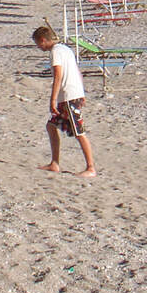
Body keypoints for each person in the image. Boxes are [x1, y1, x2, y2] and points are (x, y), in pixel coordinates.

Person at [33, 24, 96, 178]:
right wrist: (83, 93)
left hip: (69, 96)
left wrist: (53, 99)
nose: (39, 47)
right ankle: (55, 163)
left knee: (78, 131)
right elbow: (77, 71)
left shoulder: (56, 52)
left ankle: (91, 167)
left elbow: (58, 76)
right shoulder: (65, 49)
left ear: (43, 40)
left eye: (38, 44)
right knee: (51, 125)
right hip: (74, 94)